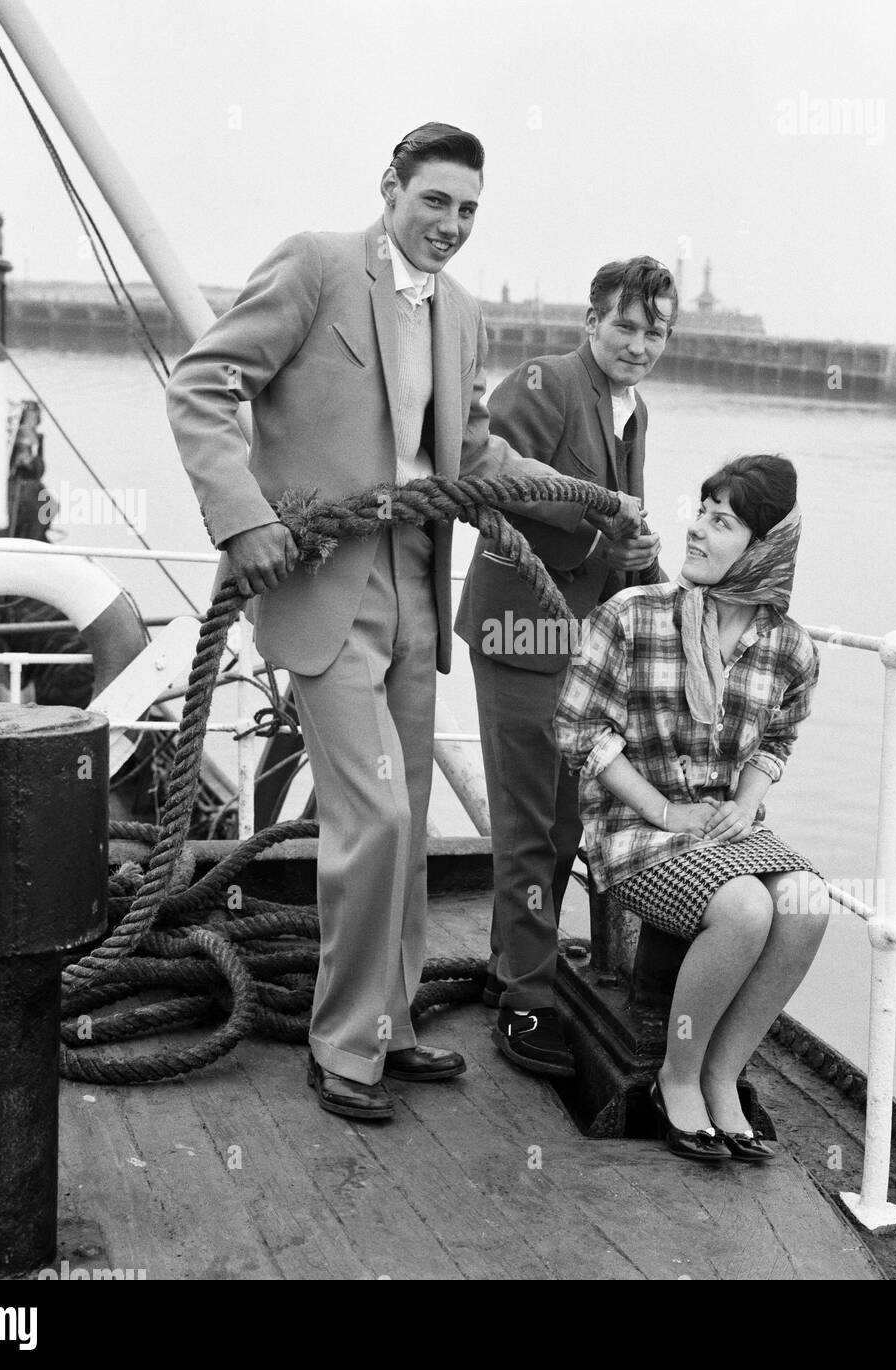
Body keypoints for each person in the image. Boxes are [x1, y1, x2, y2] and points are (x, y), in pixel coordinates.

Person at [165, 123, 641, 1123]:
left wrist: (588, 498)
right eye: (435, 201)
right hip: (323, 584)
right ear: (389, 186)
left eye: (469, 209)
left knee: (410, 820)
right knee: (373, 815)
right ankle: (340, 1045)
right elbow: (202, 384)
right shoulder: (315, 266)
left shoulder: (463, 315)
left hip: (417, 587)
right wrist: (243, 520)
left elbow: (475, 454)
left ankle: (391, 1024)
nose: (452, 225)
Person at [554, 454, 829, 1161]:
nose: (698, 532)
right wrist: (663, 811)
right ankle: (675, 1080)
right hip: (636, 829)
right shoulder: (632, 616)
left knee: (805, 901)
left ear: (765, 548)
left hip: (721, 827)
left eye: (723, 521)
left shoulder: (789, 649)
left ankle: (722, 1074)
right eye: (702, 514)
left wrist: (746, 802)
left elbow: (777, 738)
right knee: (744, 908)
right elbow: (577, 731)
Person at [454, 257, 676, 1078]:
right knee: (528, 823)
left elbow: (622, 525)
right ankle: (524, 1001)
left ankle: (511, 962)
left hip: (578, 646)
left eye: (655, 332)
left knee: (564, 819)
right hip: (520, 632)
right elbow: (482, 487)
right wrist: (597, 533)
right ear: (591, 323)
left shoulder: (634, 412)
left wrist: (642, 555)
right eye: (625, 325)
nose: (639, 344)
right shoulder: (544, 384)